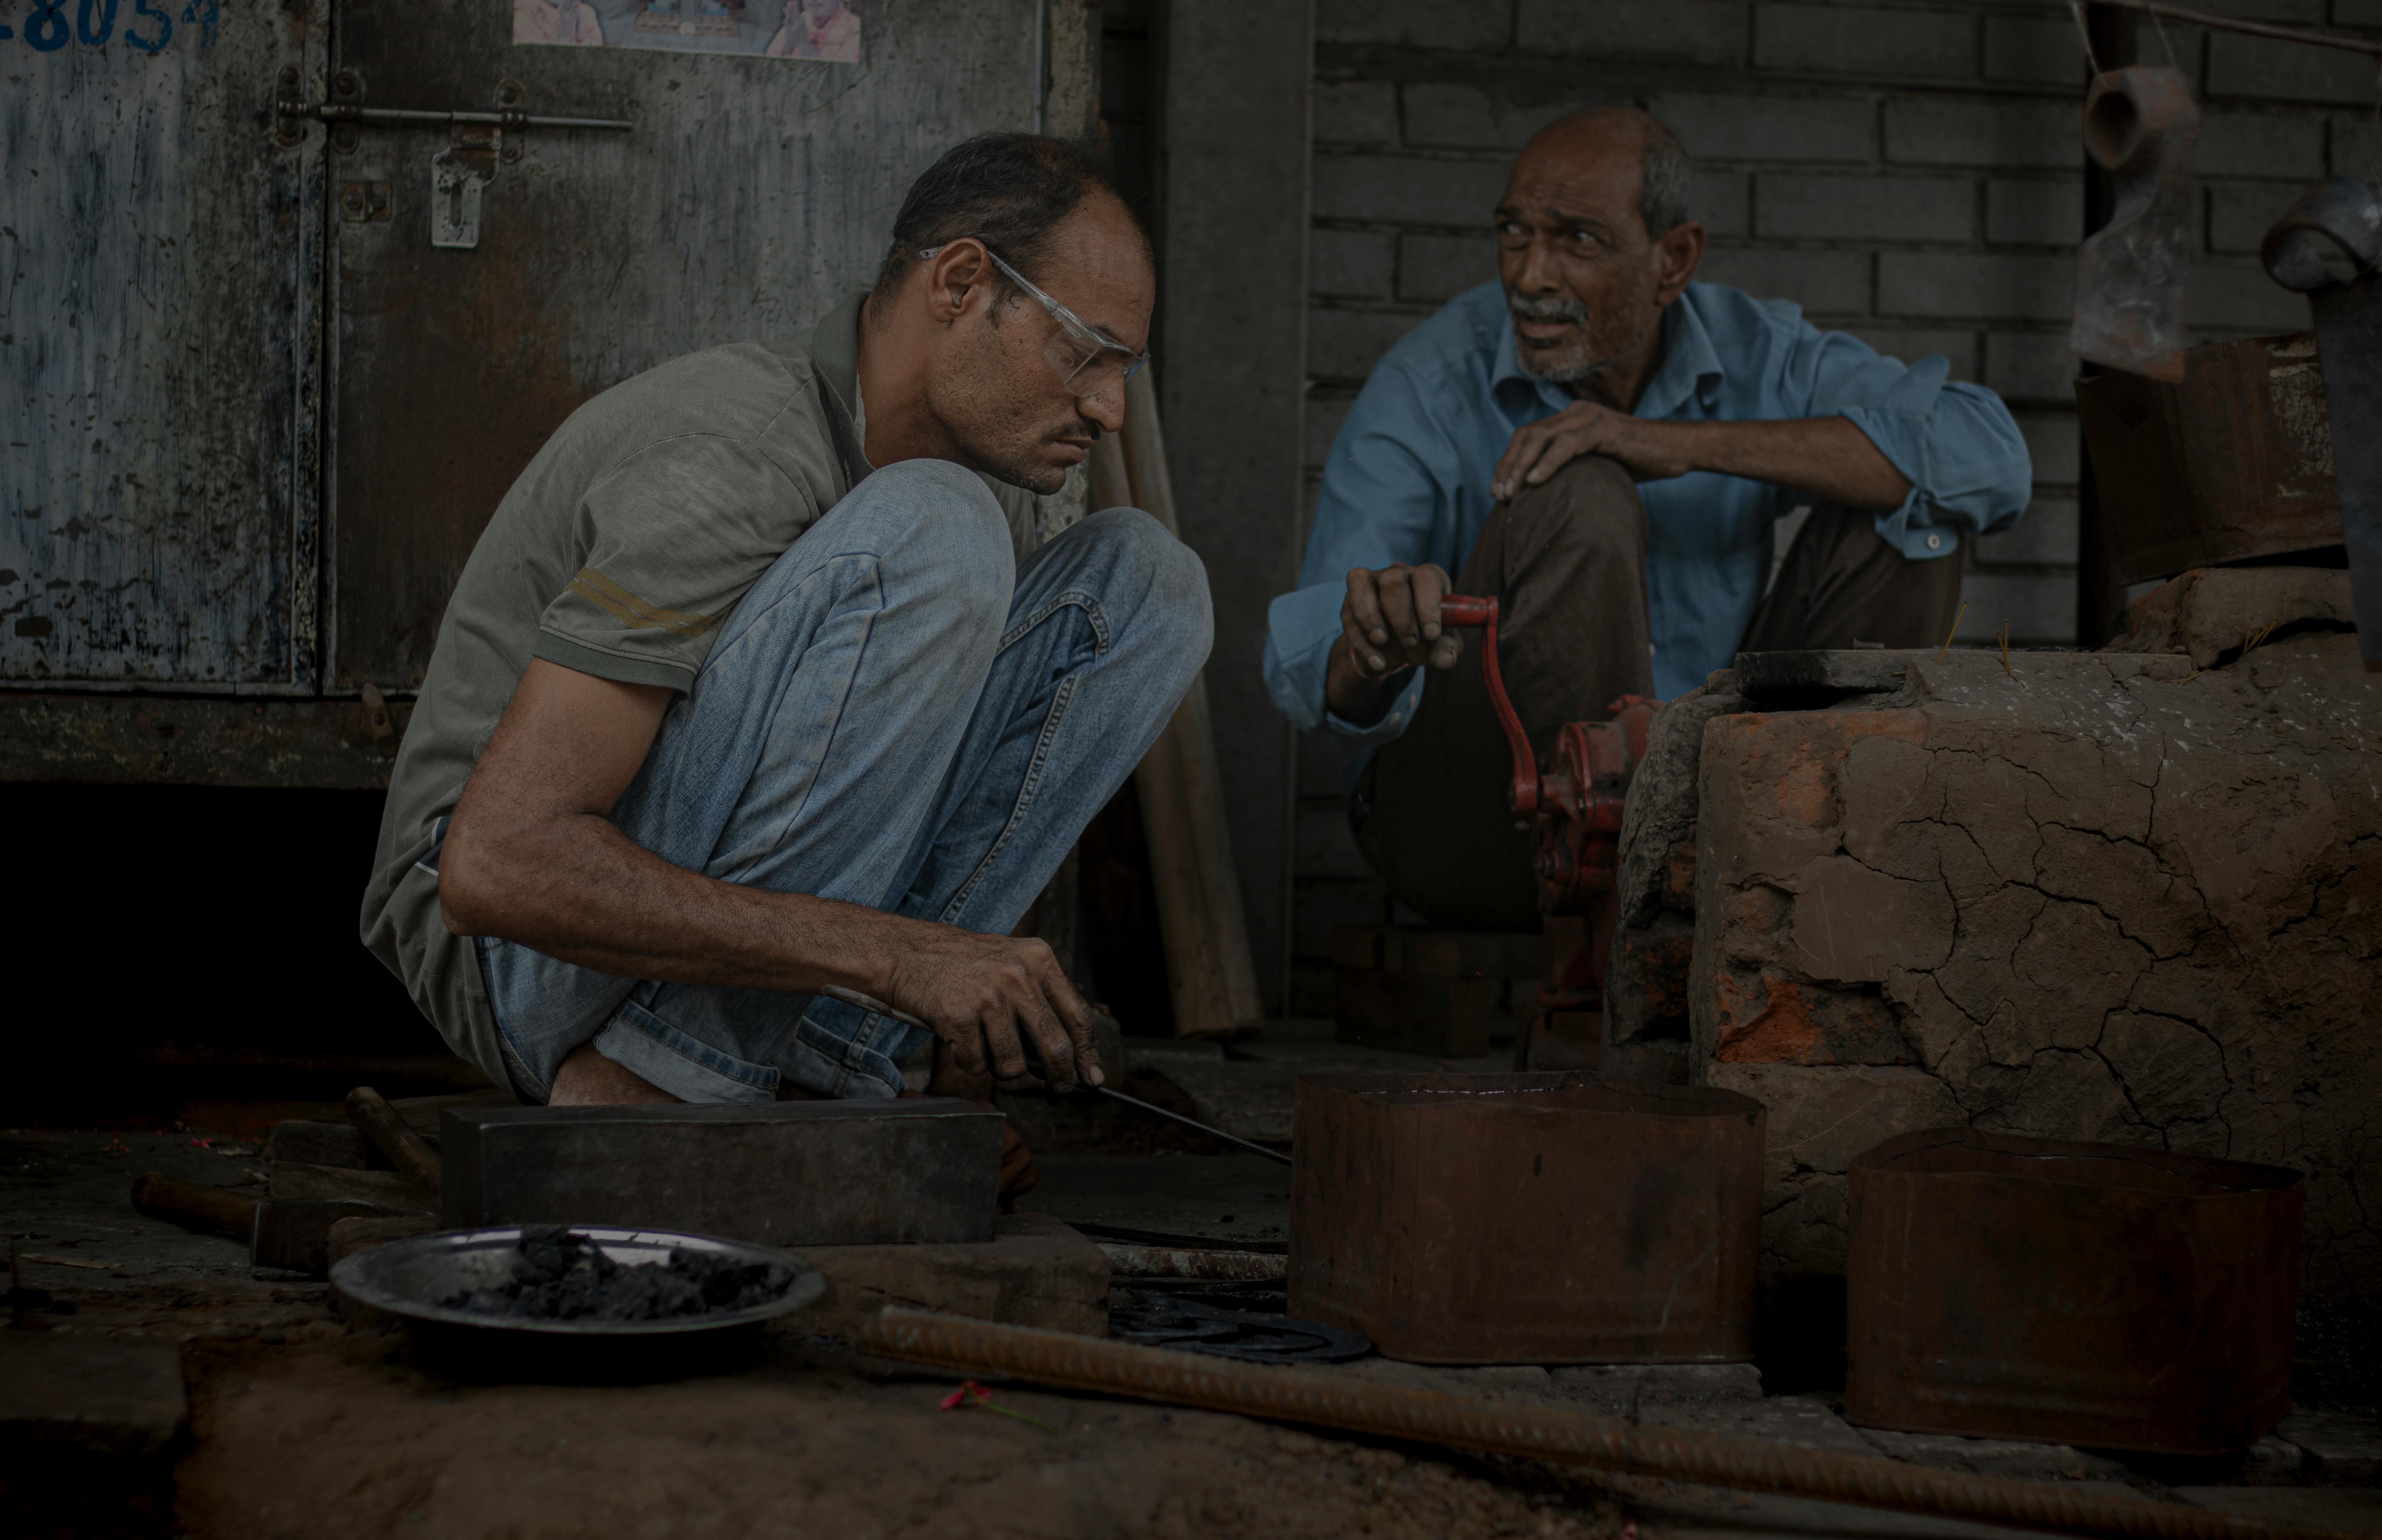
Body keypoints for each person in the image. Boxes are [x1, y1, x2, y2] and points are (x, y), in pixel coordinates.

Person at [360, 135, 1209, 1125]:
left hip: (700, 942)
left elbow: (906, 788)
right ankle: (661, 1080)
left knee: (1150, 582)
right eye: (1082, 352)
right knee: (938, 521)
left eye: (1126, 369)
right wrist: (901, 958)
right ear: (963, 283)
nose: (1109, 407)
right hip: (515, 961)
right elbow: (497, 866)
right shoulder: (739, 453)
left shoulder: (991, 480)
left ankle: (818, 1066)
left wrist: (961, 993)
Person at [1263, 108, 2029, 931]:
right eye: (1514, 232)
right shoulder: (1429, 382)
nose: (1530, 276)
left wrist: (1672, 444)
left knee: (1912, 517)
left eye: (1578, 240)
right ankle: (1602, 926)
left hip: (1710, 814)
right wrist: (1376, 640)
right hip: (1477, 826)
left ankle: (1815, 897)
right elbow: (1304, 667)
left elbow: (1990, 458)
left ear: (1674, 260)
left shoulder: (1756, 348)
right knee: (1578, 485)